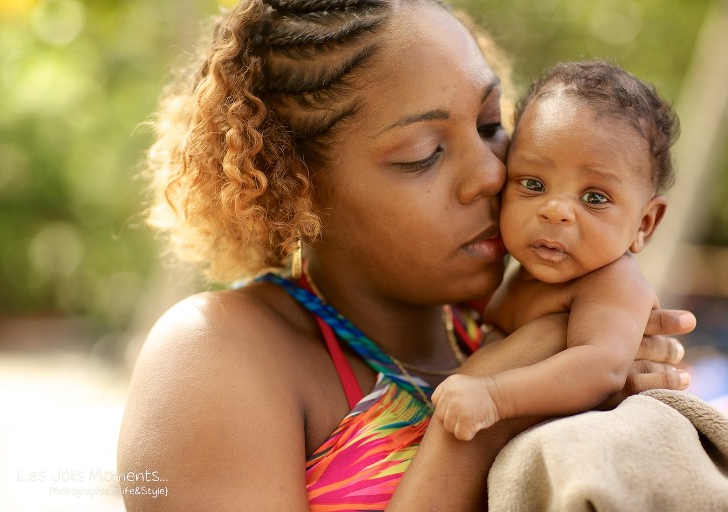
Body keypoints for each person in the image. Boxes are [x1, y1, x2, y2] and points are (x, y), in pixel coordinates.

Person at [117, 1, 695, 511]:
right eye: (424, 154)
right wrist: (482, 420)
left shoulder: (518, 319)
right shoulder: (216, 355)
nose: (493, 173)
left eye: (490, 124)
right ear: (295, 187)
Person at [431, 60, 682, 442]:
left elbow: (600, 368)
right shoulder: (518, 271)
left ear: (644, 224)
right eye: (533, 184)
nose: (555, 210)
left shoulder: (613, 284)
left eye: (594, 197)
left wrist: (494, 396)